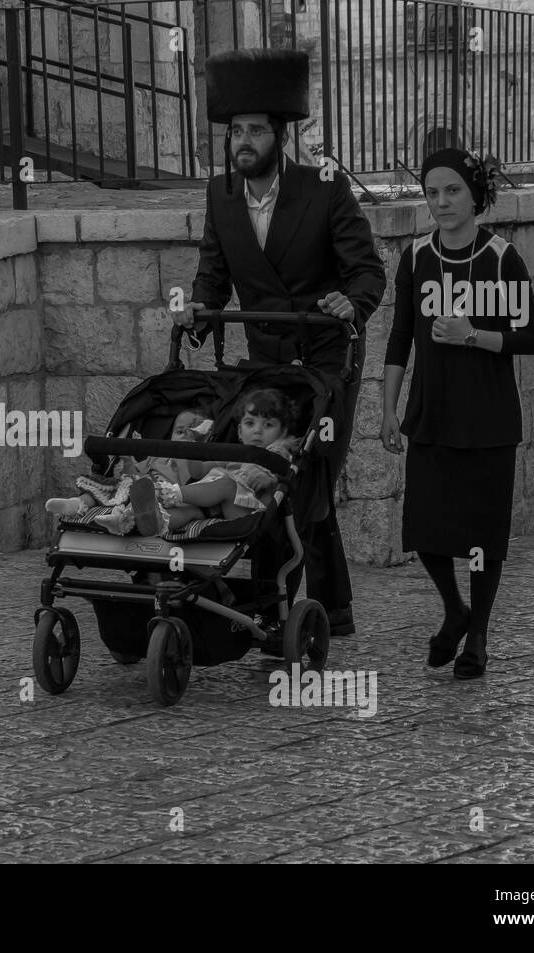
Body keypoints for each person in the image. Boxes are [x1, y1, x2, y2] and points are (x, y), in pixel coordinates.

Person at [177, 48, 387, 638]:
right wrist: (200, 309)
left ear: (281, 135)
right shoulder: (220, 195)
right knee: (276, 474)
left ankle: (290, 612)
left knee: (311, 472)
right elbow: (213, 273)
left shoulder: (324, 189)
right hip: (267, 361)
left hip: (325, 354)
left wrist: (354, 302)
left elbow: (368, 272)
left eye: (255, 131)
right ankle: (310, 611)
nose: (243, 142)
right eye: (236, 131)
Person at [380, 148, 534, 679]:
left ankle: (477, 636)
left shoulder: (502, 258)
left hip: (489, 418)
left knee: (481, 534)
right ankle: (453, 609)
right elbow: (400, 336)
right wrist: (388, 408)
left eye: (452, 190)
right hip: (431, 413)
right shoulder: (416, 256)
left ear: (475, 194)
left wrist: (472, 335)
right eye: (432, 192)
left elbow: (532, 338)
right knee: (426, 530)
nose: (442, 201)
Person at [132, 387, 304, 532]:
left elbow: (277, 479)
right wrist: (194, 446)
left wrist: (268, 478)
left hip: (248, 514)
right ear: (239, 431)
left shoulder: (278, 453)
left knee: (227, 483)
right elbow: (198, 471)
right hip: (216, 508)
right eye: (250, 423)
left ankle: (165, 493)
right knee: (188, 510)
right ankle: (152, 522)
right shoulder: (235, 455)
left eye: (268, 425)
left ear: (282, 431)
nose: (257, 430)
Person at [44, 409, 212, 536]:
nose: (183, 437)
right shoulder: (158, 455)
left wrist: (194, 447)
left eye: (190, 434)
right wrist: (128, 458)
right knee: (104, 488)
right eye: (180, 432)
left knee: (140, 499)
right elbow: (134, 473)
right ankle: (74, 505)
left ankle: (120, 520)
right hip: (138, 485)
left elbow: (196, 474)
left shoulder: (194, 459)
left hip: (161, 495)